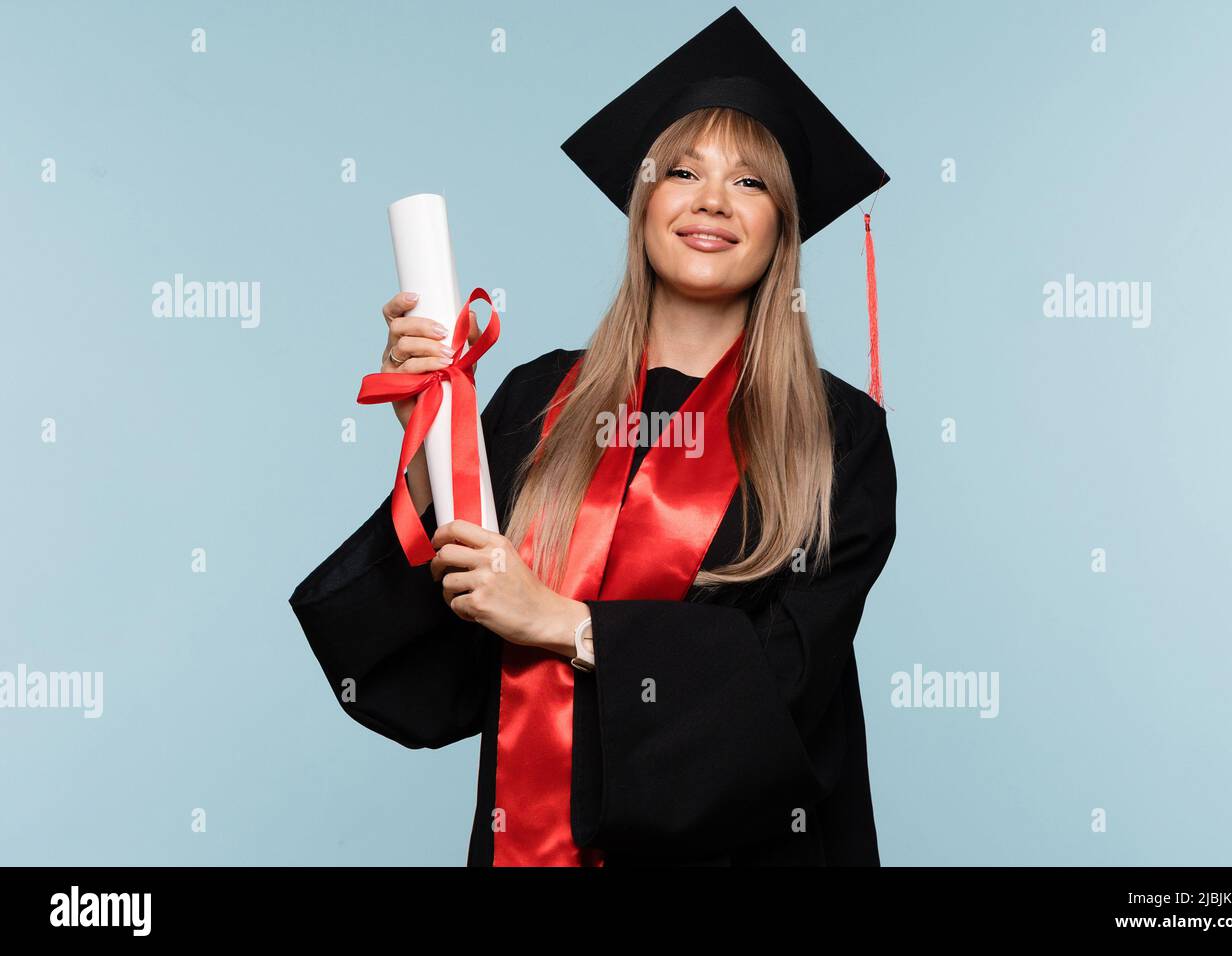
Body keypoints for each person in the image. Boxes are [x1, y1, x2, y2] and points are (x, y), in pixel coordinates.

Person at [288, 5, 898, 866]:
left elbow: (792, 680)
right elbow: (447, 666)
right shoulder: (543, 398)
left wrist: (570, 625)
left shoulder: (837, 435)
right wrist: (433, 438)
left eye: (752, 182)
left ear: (781, 229)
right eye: (682, 171)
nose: (713, 202)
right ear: (644, 202)